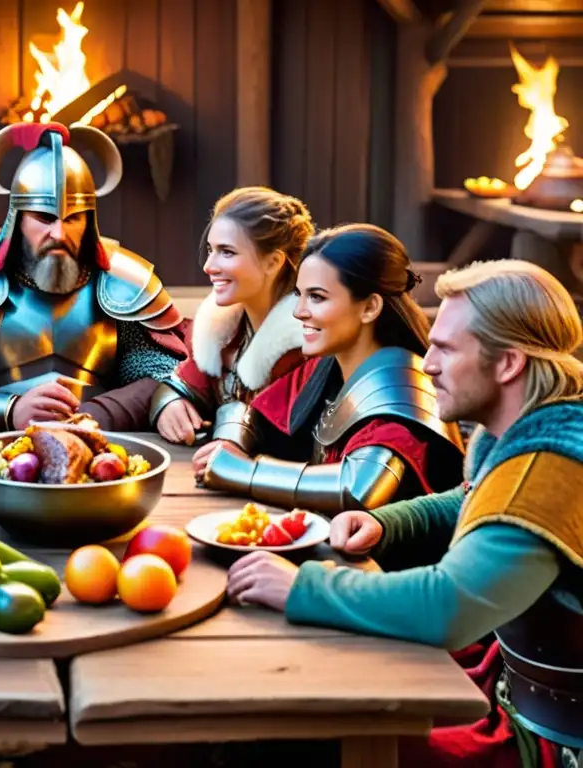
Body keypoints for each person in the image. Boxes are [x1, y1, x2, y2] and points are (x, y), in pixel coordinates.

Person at [226, 260, 583, 767]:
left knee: (315, 727)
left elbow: (447, 607)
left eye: (446, 349)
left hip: (549, 741)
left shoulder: (546, 468)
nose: (428, 364)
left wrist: (301, 587)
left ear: (508, 364)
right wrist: (389, 523)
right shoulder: (537, 431)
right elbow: (476, 498)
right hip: (505, 683)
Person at [0, 122, 188, 436]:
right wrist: (10, 409)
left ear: (89, 220)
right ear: (17, 218)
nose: (59, 233)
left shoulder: (125, 284)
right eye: (44, 218)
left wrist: (97, 413)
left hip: (104, 447)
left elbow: (166, 375)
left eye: (73, 218)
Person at [198, 223, 465, 514]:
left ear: (370, 308)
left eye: (317, 297)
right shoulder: (328, 365)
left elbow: (358, 489)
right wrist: (230, 441)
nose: (298, 311)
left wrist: (240, 473)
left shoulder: (401, 394)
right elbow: (253, 411)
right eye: (299, 294)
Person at [149, 186, 313, 452]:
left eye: (226, 252)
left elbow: (278, 434)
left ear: (273, 262)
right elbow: (186, 382)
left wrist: (232, 436)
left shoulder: (309, 343)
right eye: (211, 250)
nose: (209, 266)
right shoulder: (224, 329)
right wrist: (170, 403)